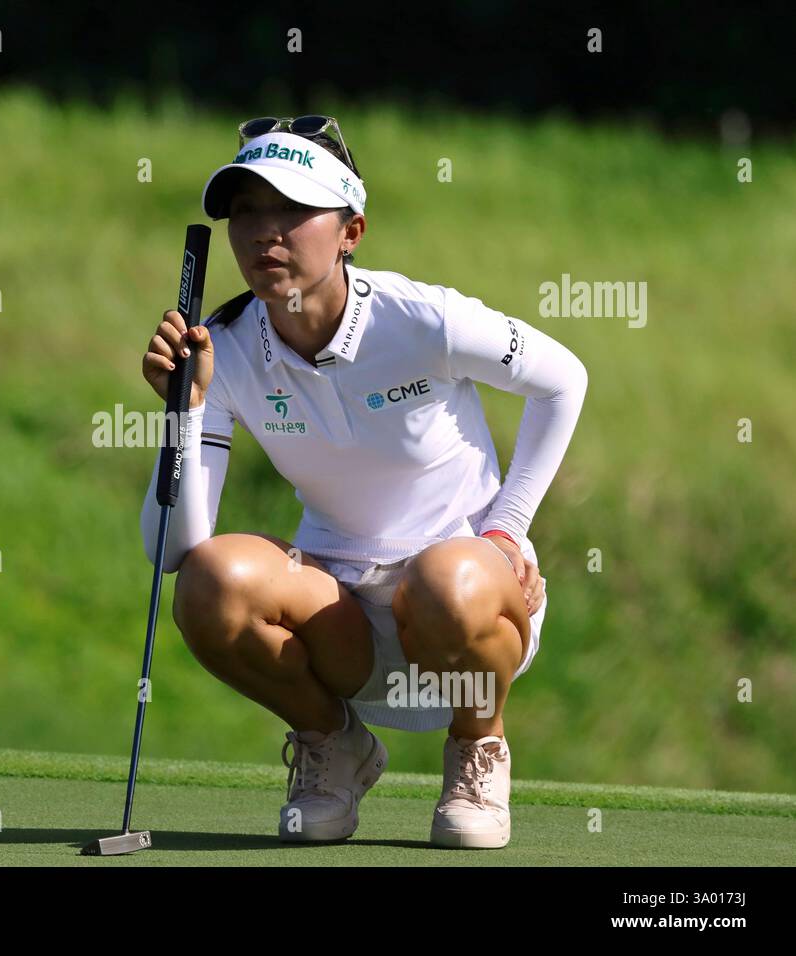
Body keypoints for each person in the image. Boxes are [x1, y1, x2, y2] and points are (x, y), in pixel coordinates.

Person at [139, 115, 588, 849]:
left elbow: (564, 380)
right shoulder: (223, 349)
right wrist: (183, 414)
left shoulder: (425, 320)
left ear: (352, 231)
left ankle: (479, 746)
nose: (263, 232)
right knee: (212, 580)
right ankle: (333, 744)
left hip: (466, 604)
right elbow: (172, 550)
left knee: (446, 579)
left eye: (290, 210)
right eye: (246, 212)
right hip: (338, 616)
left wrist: (508, 530)